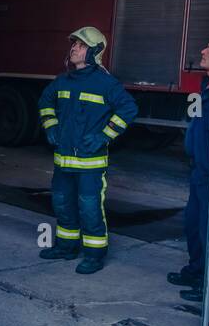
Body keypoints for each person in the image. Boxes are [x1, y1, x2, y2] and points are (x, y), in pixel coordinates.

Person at [38, 26, 138, 274]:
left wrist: (105, 135)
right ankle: (66, 247)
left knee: (90, 208)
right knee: (62, 204)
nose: (74, 48)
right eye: (74, 44)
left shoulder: (106, 84)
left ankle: (94, 255)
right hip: (63, 162)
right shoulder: (63, 80)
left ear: (94, 51)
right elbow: (45, 102)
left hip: (91, 165)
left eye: (81, 45)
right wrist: (50, 126)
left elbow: (128, 109)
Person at [168, 37, 209, 304]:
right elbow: (194, 123)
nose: (203, 51)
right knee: (192, 224)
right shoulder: (203, 87)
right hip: (197, 170)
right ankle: (195, 271)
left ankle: (208, 285)